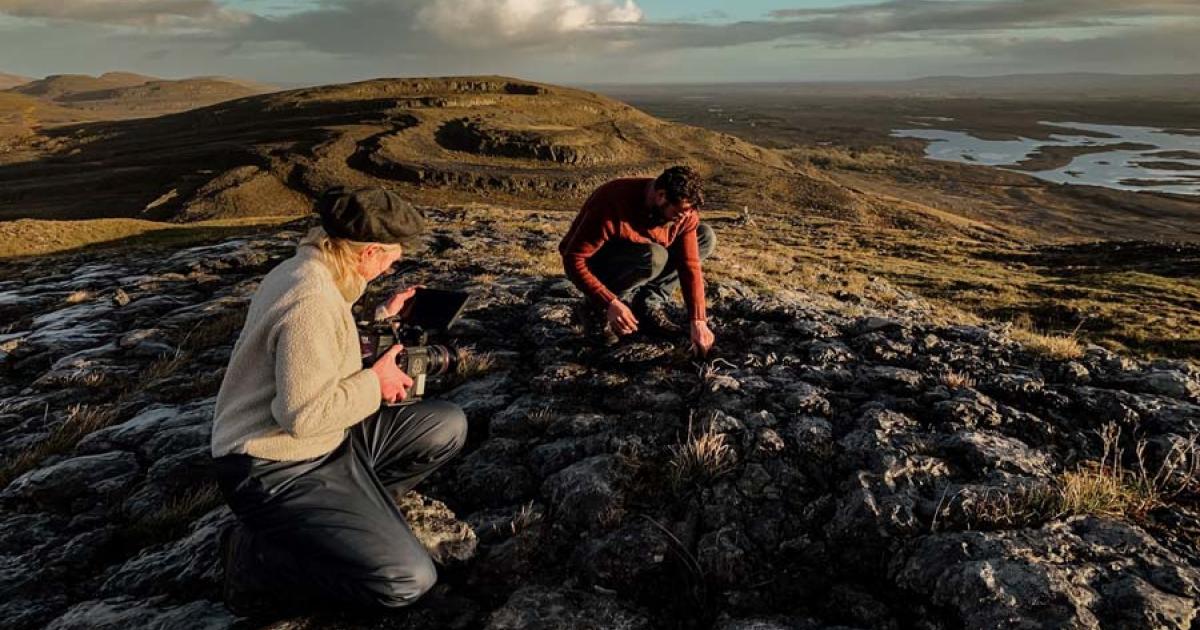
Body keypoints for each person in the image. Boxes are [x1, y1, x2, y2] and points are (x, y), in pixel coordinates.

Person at [209, 187, 467, 615]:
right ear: (367, 252)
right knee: (406, 581)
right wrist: (375, 383)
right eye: (391, 255)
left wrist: (380, 319)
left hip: (328, 444)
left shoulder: (308, 271)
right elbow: (302, 415)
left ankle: (354, 519)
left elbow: (324, 342)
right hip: (276, 466)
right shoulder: (311, 300)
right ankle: (255, 561)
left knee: (445, 425)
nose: (394, 263)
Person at [559, 165, 717, 355]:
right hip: (601, 263)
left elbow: (689, 264)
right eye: (678, 212)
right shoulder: (613, 202)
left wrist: (698, 320)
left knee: (705, 236)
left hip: (643, 255)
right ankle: (594, 310)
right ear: (661, 196)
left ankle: (647, 304)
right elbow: (573, 258)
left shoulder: (685, 214)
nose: (682, 218)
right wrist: (609, 302)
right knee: (654, 256)